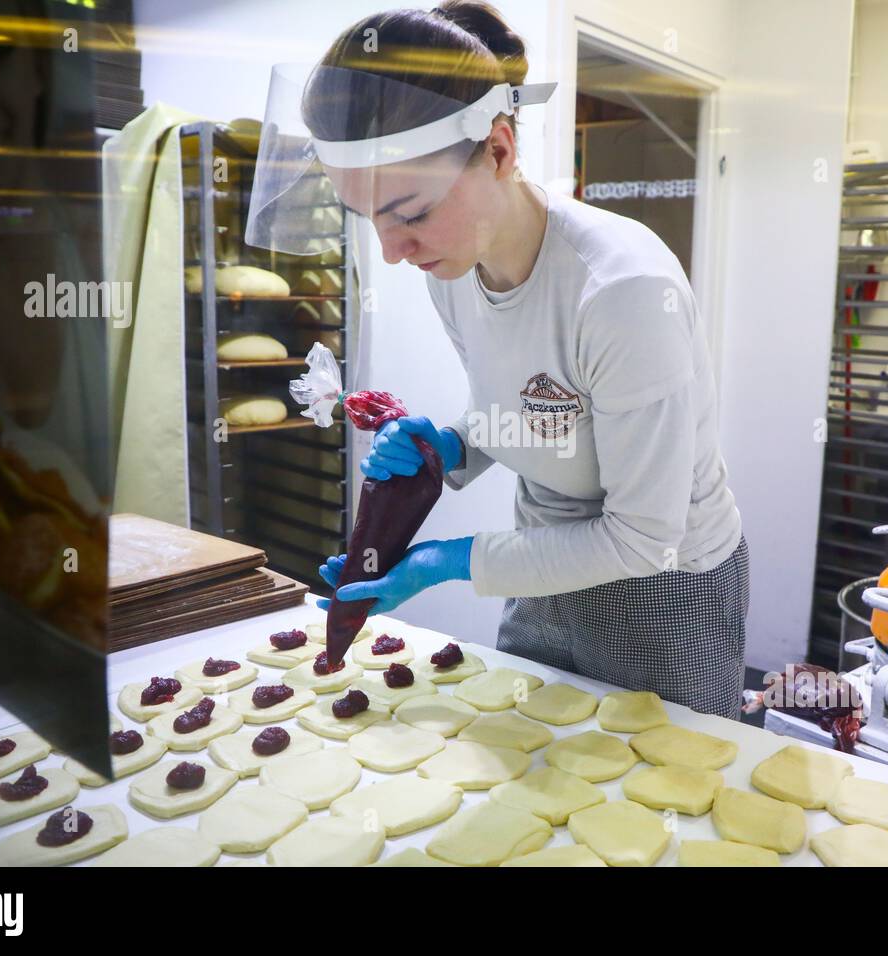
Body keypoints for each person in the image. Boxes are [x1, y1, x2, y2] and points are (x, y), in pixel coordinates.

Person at [268, 2, 748, 718]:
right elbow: (532, 404)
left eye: (412, 211)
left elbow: (645, 536)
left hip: (664, 584)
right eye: (372, 221)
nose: (395, 251)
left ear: (498, 149)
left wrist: (448, 561)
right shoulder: (452, 269)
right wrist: (455, 444)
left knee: (658, 794)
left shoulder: (622, 291)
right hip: (543, 559)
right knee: (534, 773)